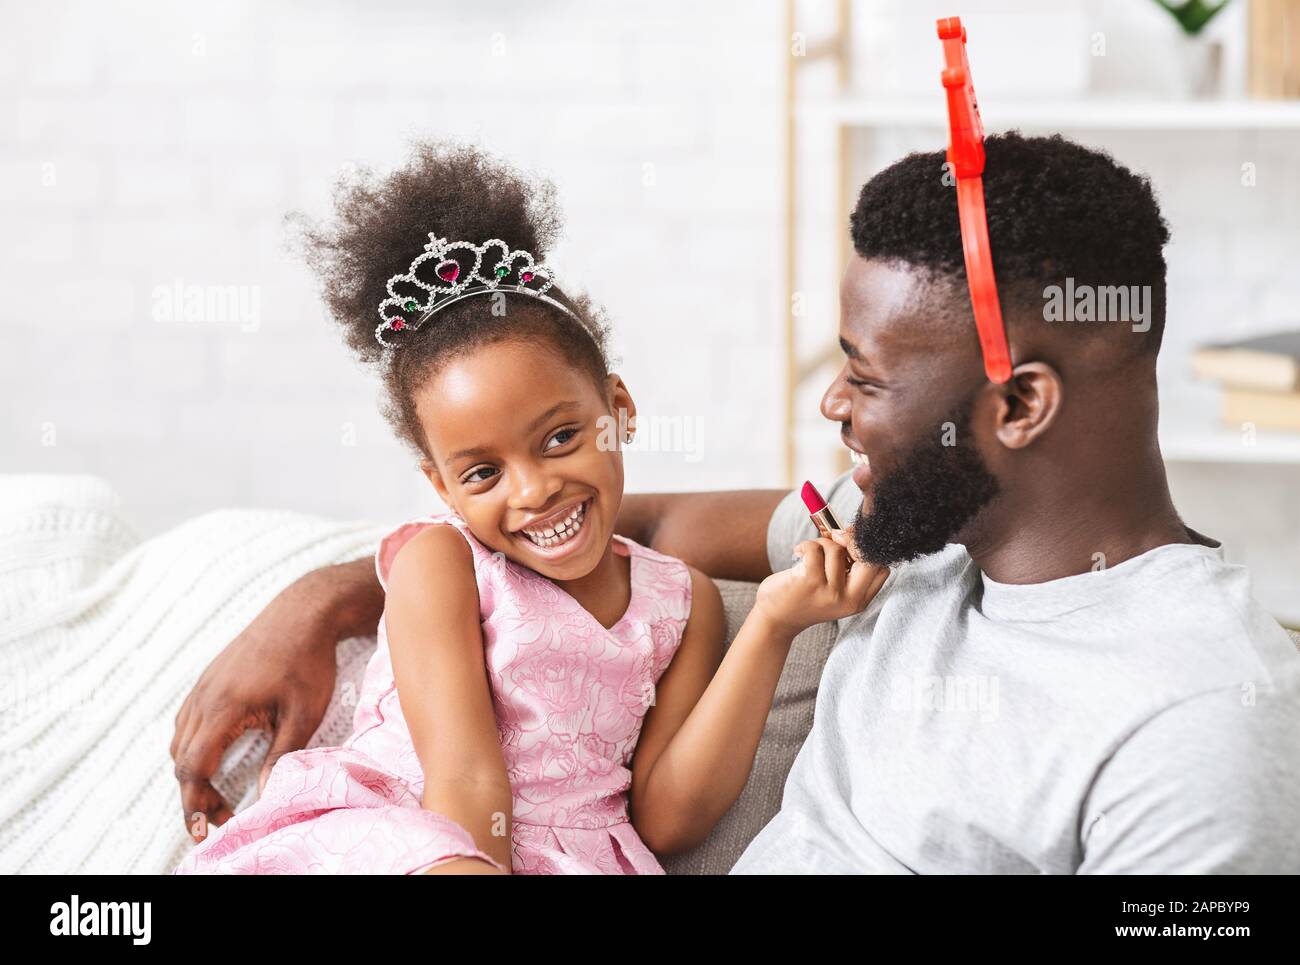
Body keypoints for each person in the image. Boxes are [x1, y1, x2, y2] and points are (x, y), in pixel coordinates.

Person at [173, 132, 1300, 874]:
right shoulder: (910, 531)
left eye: (863, 375)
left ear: (1017, 406)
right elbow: (617, 533)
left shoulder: (1197, 721)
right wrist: (328, 597)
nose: (830, 404)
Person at [171, 142, 884, 875]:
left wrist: (772, 622)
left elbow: (668, 816)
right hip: (424, 839)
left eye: (561, 437)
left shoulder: (684, 603)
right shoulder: (439, 564)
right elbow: (466, 780)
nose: (533, 489)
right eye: (482, 472)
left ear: (618, 407)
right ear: (443, 488)